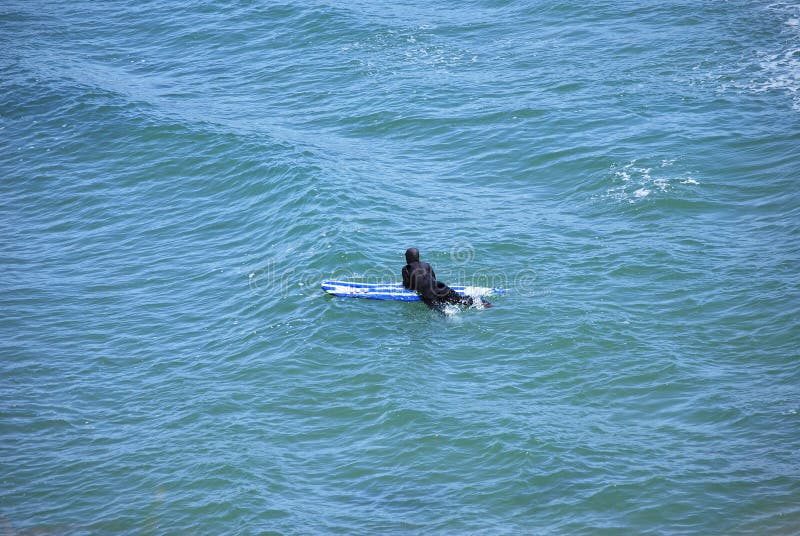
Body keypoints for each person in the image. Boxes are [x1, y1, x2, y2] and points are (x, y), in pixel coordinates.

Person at [401, 247, 491, 310]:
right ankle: (483, 303)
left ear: (408, 257)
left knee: (439, 309)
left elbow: (408, 286)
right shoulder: (426, 265)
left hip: (428, 293)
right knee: (460, 299)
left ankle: (449, 317)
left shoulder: (406, 269)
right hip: (440, 286)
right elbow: (433, 278)